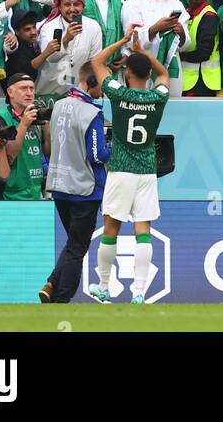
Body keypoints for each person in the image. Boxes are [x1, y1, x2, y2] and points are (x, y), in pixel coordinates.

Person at [42, 32, 131, 303]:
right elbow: (97, 154)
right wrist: (118, 147)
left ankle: (50, 285)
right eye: (101, 84)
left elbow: (49, 143)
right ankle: (61, 299)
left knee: (73, 243)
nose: (103, 89)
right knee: (78, 247)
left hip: (58, 186)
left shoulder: (58, 106)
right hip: (84, 189)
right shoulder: (92, 112)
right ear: (92, 84)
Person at [84, 28, 170, 305]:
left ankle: (104, 286)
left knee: (111, 228)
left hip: (121, 168)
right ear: (147, 75)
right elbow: (165, 75)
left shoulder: (119, 95)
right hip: (147, 170)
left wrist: (122, 43)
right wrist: (143, 53)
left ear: (128, 74)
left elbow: (97, 62)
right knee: (142, 231)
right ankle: (139, 292)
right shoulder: (157, 97)